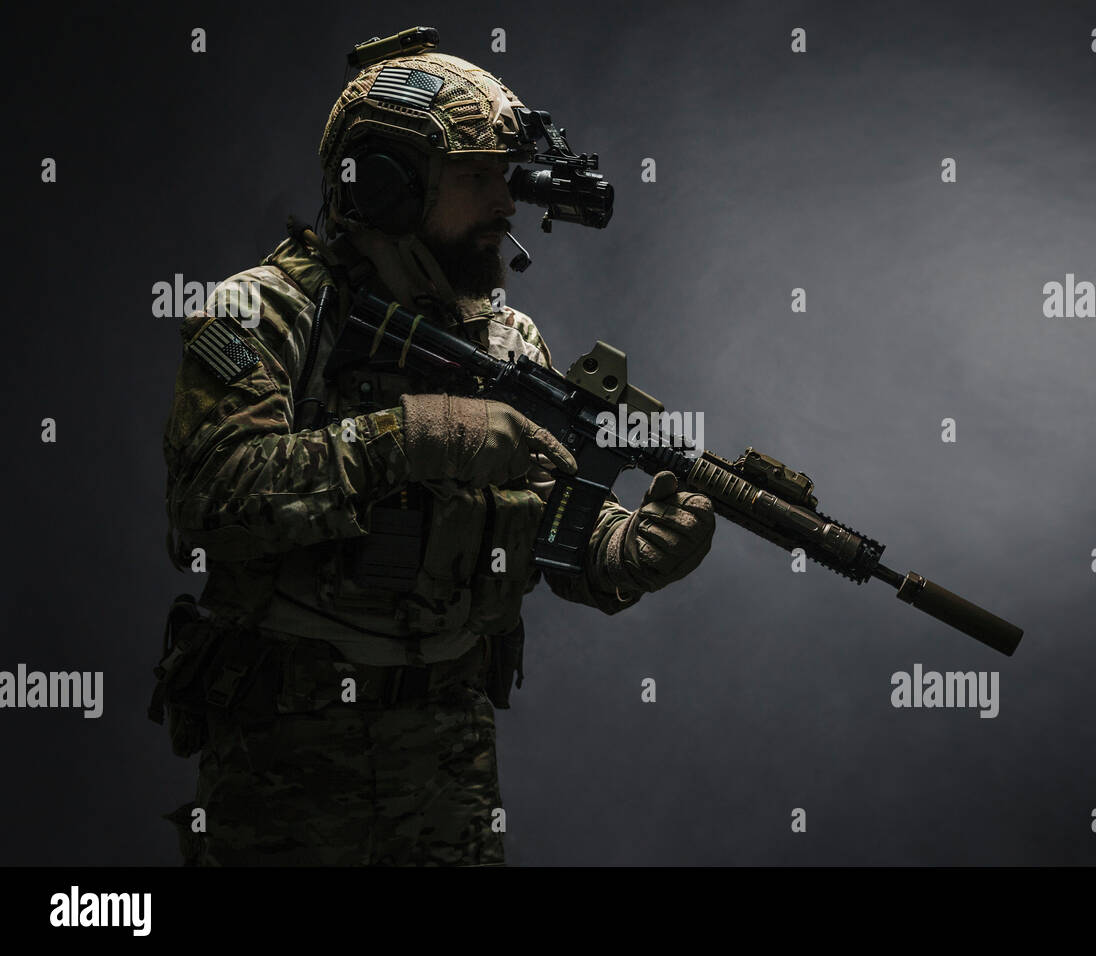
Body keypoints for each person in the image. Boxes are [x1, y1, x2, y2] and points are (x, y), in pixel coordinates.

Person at [152, 32, 715, 866]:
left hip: (449, 756)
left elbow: (546, 517)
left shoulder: (507, 339)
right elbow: (210, 505)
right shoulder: (264, 315)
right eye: (476, 176)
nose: (506, 203)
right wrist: (419, 435)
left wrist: (621, 550)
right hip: (287, 757)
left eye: (507, 175)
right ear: (383, 183)